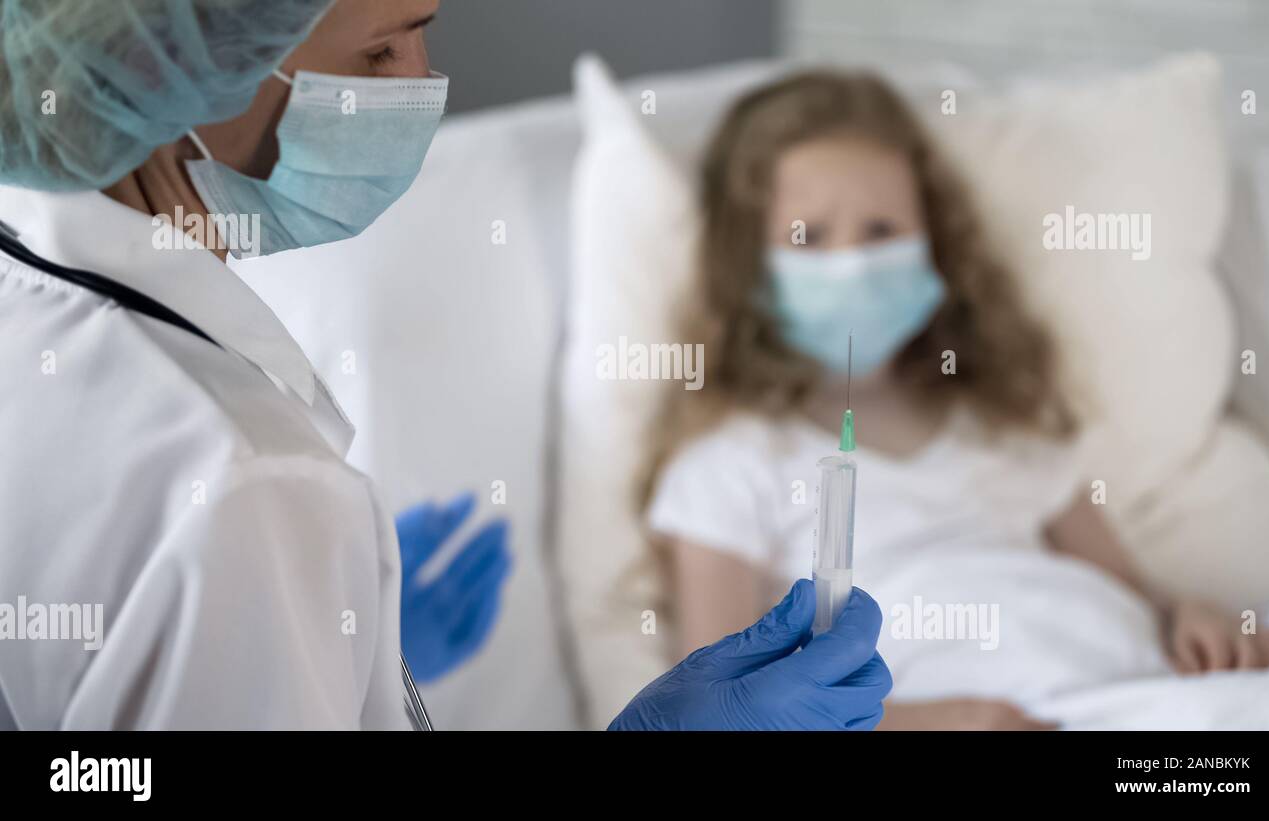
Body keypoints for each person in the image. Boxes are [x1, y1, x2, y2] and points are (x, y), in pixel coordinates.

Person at [0, 0, 890, 730]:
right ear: (169, 67)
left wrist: (357, 660)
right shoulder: (245, 485)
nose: (422, 84)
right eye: (381, 50)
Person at [641, 71, 1269, 730]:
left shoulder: (1002, 423)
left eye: (881, 230)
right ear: (746, 263)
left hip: (1146, 687)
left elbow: (1135, 591)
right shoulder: (730, 466)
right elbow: (725, 710)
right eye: (809, 236)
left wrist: (1189, 616)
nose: (853, 264)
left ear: (936, 243)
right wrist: (953, 721)